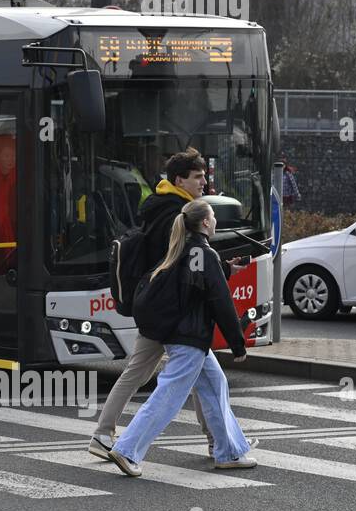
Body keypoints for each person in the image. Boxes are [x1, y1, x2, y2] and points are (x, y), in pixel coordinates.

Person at [108, 199, 256, 476]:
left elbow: (192, 282)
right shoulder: (204, 253)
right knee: (169, 395)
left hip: (178, 333)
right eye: (213, 217)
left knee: (215, 383)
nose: (215, 222)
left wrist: (221, 269)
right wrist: (237, 343)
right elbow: (219, 300)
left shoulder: (178, 249)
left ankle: (229, 451)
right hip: (189, 337)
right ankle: (127, 450)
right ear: (205, 223)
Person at [90, 149, 221, 459]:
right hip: (173, 311)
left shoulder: (163, 205)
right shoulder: (176, 213)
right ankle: (218, 442)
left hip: (158, 306)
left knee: (141, 373)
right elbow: (183, 262)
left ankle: (102, 433)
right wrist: (222, 270)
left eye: (204, 175)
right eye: (197, 176)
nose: (204, 181)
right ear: (180, 180)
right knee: (201, 375)